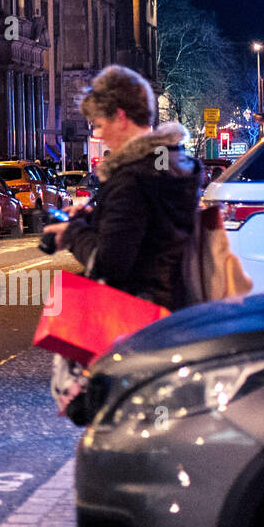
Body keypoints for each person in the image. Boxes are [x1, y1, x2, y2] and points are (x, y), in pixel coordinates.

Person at [42, 66, 202, 417]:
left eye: (99, 125)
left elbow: (110, 262)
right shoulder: (176, 165)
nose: (98, 135)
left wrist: (71, 234)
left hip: (134, 323)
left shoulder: (132, 180)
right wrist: (93, 220)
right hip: (172, 309)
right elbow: (150, 232)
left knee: (119, 426)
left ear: (120, 116)